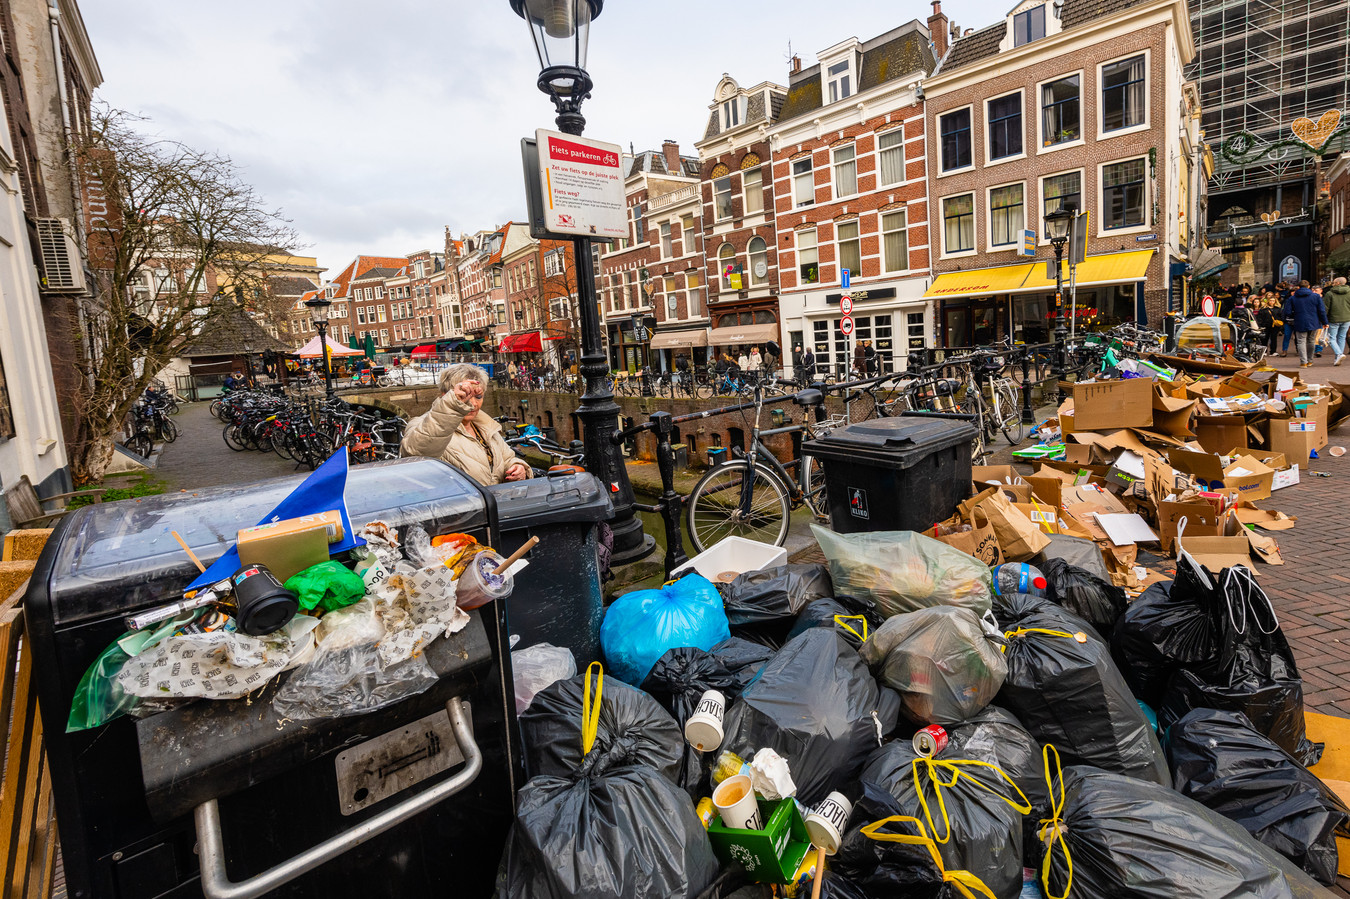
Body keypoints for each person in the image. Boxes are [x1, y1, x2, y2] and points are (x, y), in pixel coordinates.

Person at [401, 363, 532, 486]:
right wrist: (452, 405)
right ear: (446, 396)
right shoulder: (422, 425)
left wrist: (518, 468)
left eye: (478, 397)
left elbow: (507, 458)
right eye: (465, 396)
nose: (473, 404)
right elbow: (416, 455)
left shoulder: (485, 426)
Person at [1286, 280, 1328, 368]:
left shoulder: (1293, 297)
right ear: (1309, 286)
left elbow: (1288, 312)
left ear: (1298, 287)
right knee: (1311, 340)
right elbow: (1321, 310)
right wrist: (1324, 322)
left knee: (1301, 341)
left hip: (1299, 320)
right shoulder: (1316, 296)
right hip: (1313, 321)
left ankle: (1303, 362)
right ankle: (1310, 360)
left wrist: (1296, 314)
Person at [1325, 277, 1350, 365]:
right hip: (1347, 318)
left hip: (1333, 318)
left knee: (1331, 338)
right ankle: (1338, 357)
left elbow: (1326, 308)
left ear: (1338, 283)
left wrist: (1324, 319)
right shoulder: (1349, 291)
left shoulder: (1329, 293)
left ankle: (1339, 354)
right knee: (1342, 337)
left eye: (1334, 282)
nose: (1333, 284)